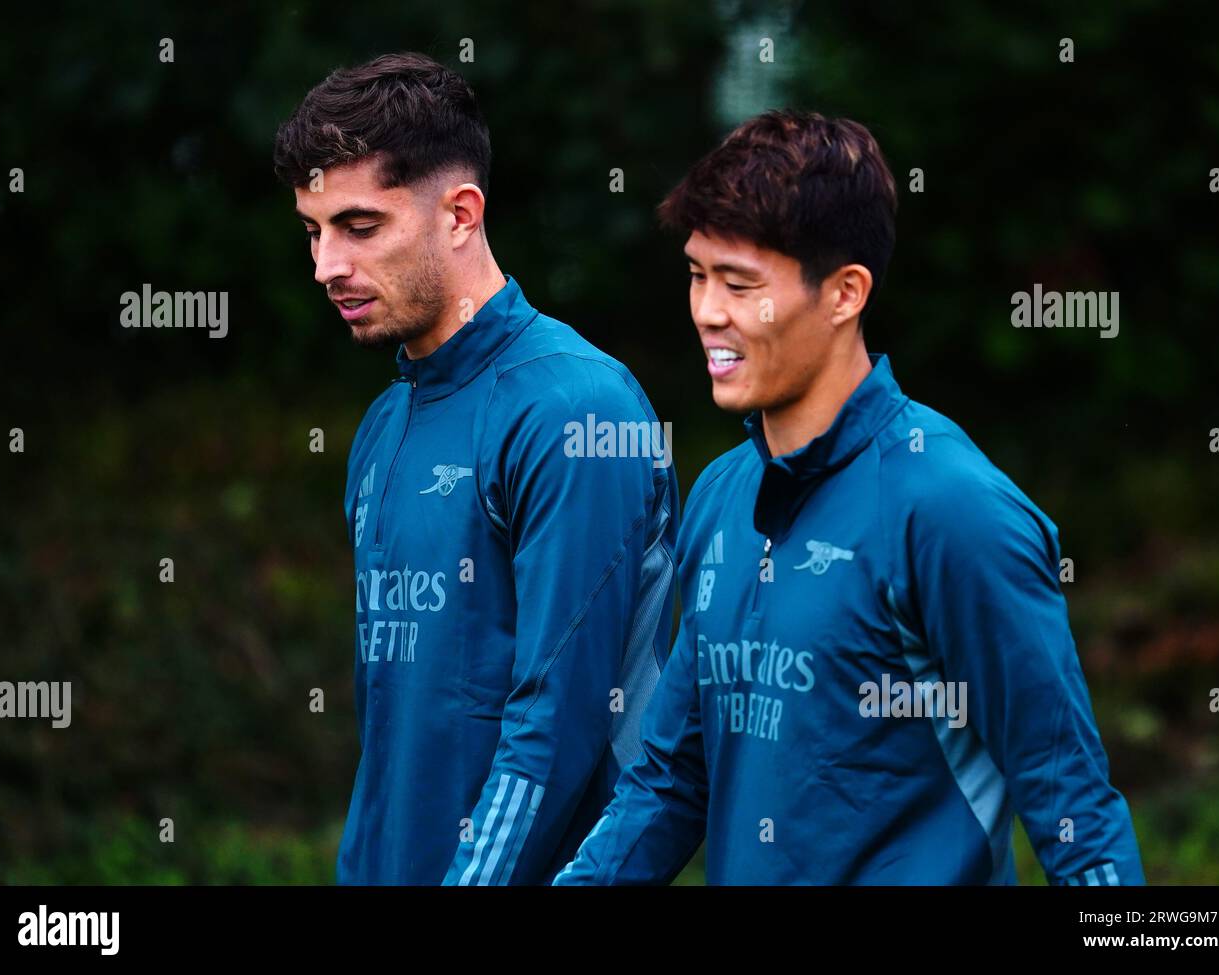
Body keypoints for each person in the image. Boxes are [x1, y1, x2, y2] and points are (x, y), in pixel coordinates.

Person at [555, 109, 1144, 885]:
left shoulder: (949, 507)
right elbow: (670, 779)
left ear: (844, 293)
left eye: (740, 283)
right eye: (698, 275)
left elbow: (1073, 806)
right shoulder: (719, 496)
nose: (707, 311)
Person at [273, 52, 679, 884]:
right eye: (312, 231)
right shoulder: (386, 423)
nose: (325, 266)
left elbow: (556, 725)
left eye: (358, 226)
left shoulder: (575, 408)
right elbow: (396, 733)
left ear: (460, 214)